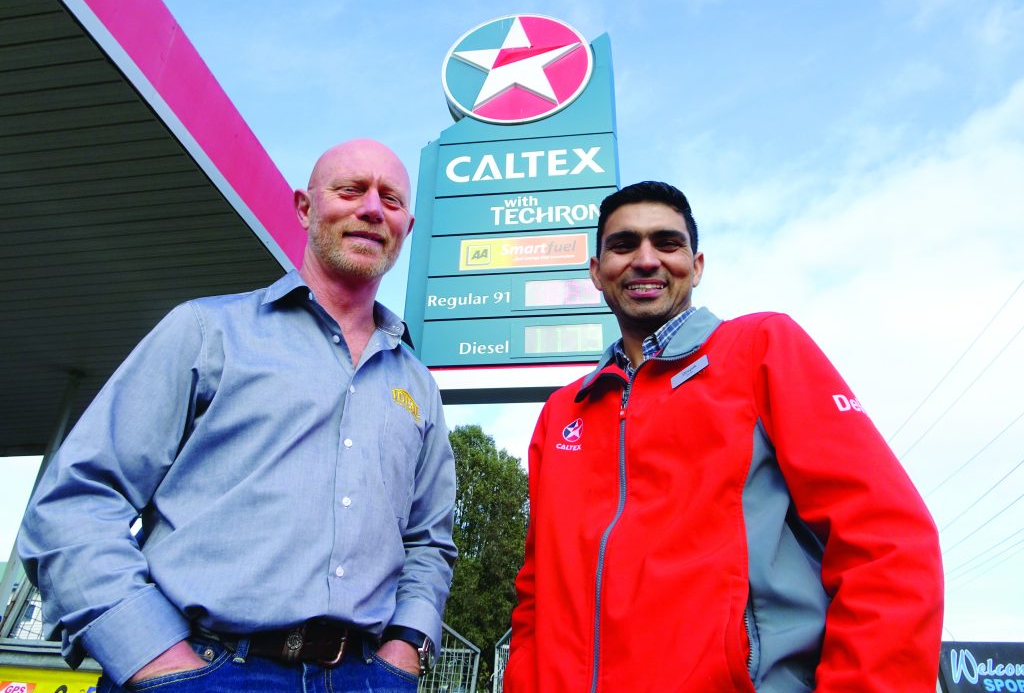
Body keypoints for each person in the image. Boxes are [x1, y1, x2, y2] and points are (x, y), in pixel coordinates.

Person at [18, 139, 457, 692]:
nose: (372, 209)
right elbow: (75, 501)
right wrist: (156, 658)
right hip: (202, 666)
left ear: (406, 226)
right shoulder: (207, 333)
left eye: (390, 199)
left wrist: (405, 650)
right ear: (305, 208)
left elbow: (428, 542)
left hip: (365, 677)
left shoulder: (417, 385)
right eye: (351, 191)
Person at [503, 181, 943, 693]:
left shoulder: (762, 348)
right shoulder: (562, 412)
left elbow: (888, 543)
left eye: (667, 243)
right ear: (597, 272)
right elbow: (536, 596)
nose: (646, 259)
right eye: (623, 245)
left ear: (697, 266)